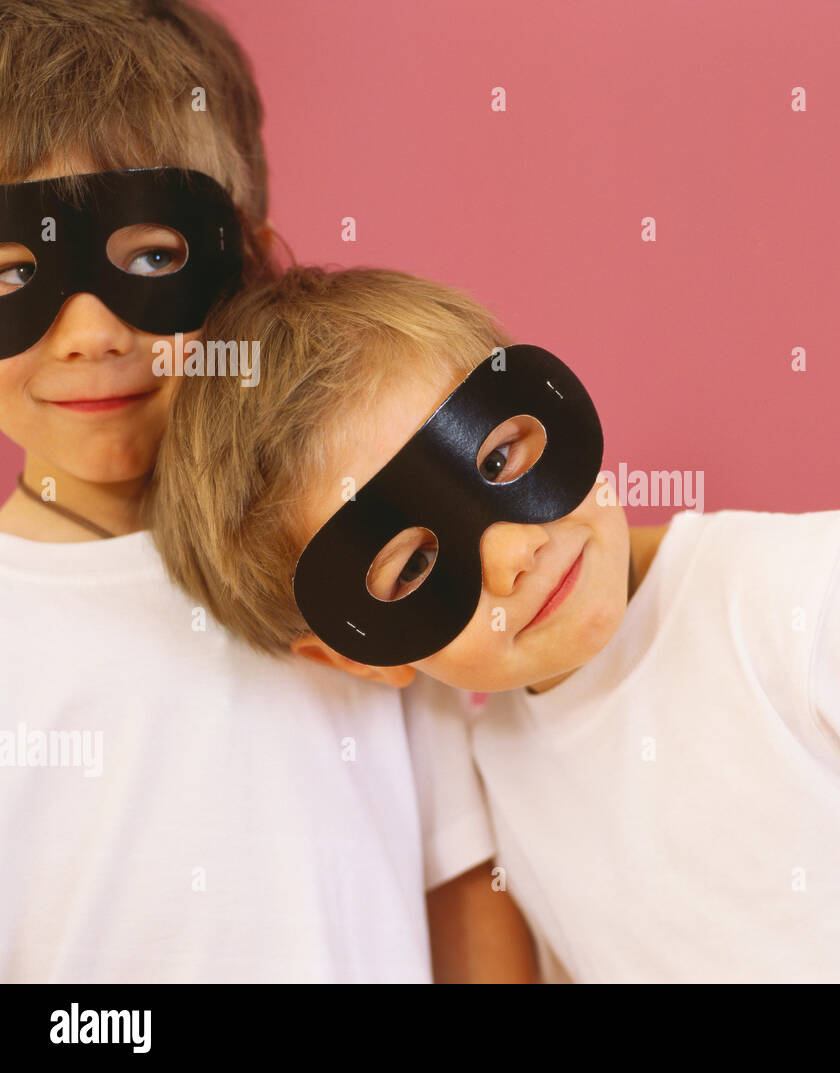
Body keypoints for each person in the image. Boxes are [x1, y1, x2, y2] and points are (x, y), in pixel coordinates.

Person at [149, 264, 840, 983]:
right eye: (411, 563)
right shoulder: (505, 773)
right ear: (359, 659)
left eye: (494, 463)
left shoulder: (797, 592)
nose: (510, 551)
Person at [0, 0, 536, 982]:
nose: (89, 334)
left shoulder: (359, 542)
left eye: (153, 259)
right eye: (12, 274)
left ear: (248, 260)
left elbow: (458, 874)